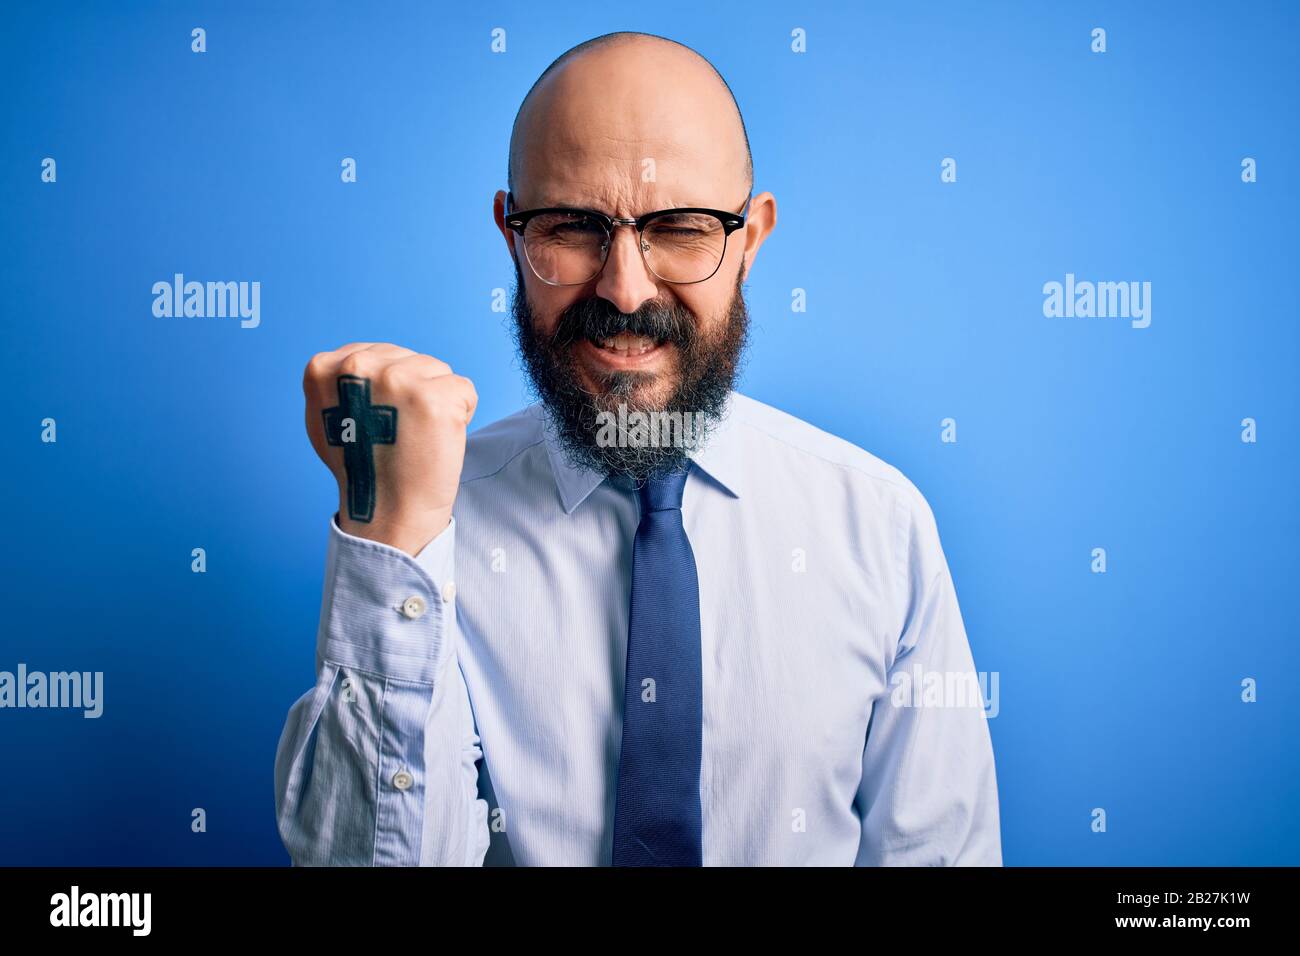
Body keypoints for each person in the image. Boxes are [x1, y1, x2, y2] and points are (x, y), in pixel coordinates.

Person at [274, 30, 1002, 866]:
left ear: (750, 240)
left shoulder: (880, 527)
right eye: (572, 228)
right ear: (512, 235)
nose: (624, 287)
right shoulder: (426, 531)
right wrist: (390, 543)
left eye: (682, 229)